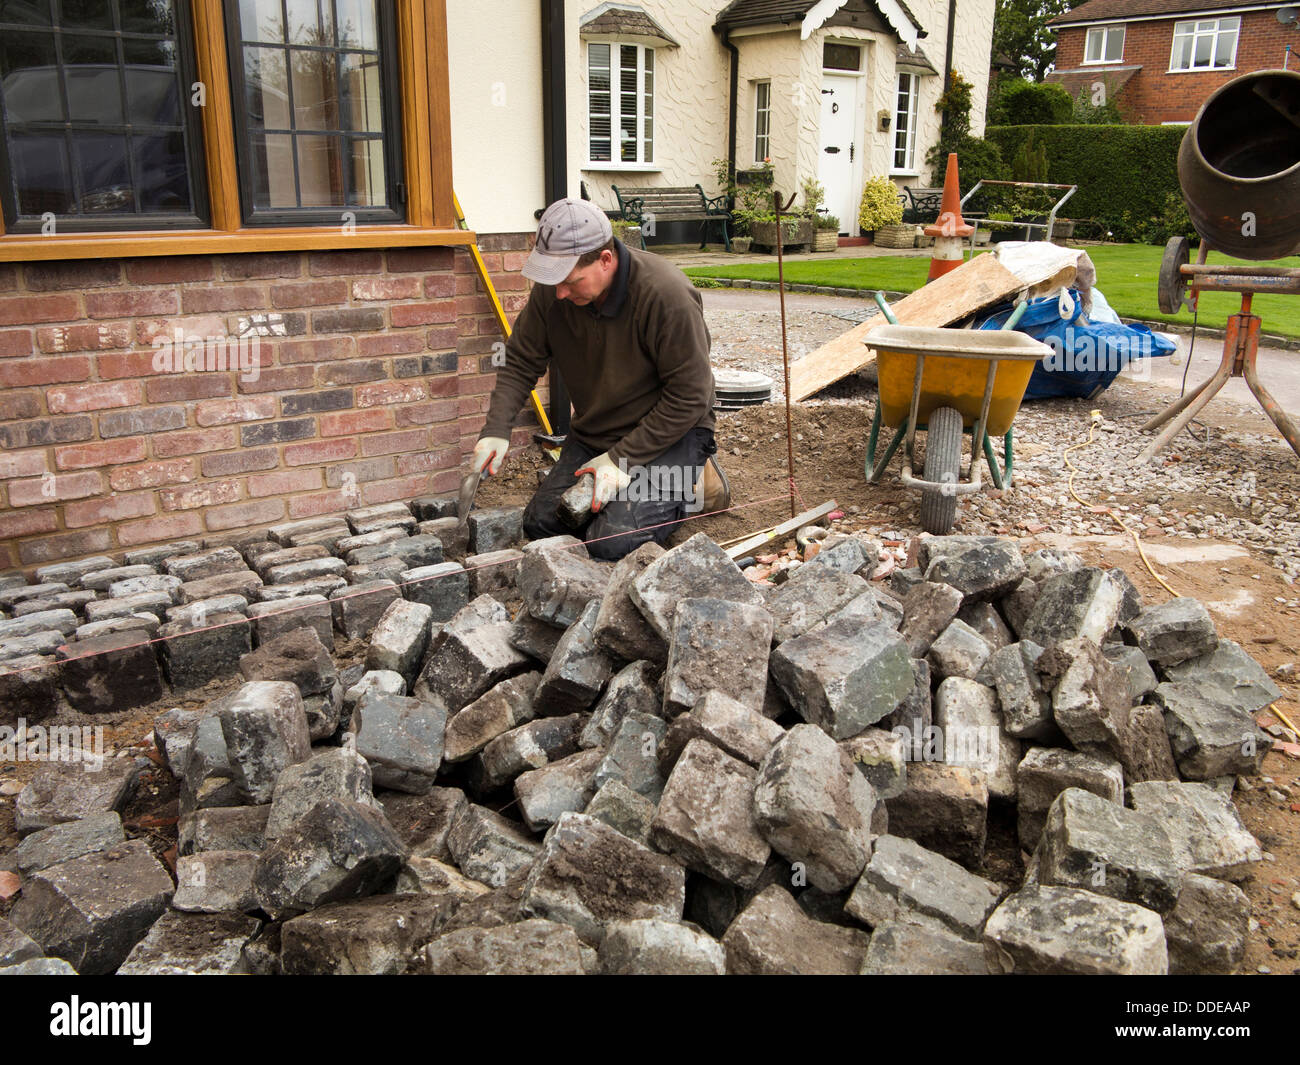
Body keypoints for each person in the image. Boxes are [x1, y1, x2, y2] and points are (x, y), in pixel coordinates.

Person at [470, 197, 719, 561]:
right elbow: (520, 361)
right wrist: (496, 428)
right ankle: (628, 489)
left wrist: (622, 460)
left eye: (571, 282)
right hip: (597, 434)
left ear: (606, 260)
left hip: (673, 435)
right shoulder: (554, 289)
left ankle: (697, 486)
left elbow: (691, 396)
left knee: (610, 542)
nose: (559, 294)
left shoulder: (666, 295)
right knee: (542, 524)